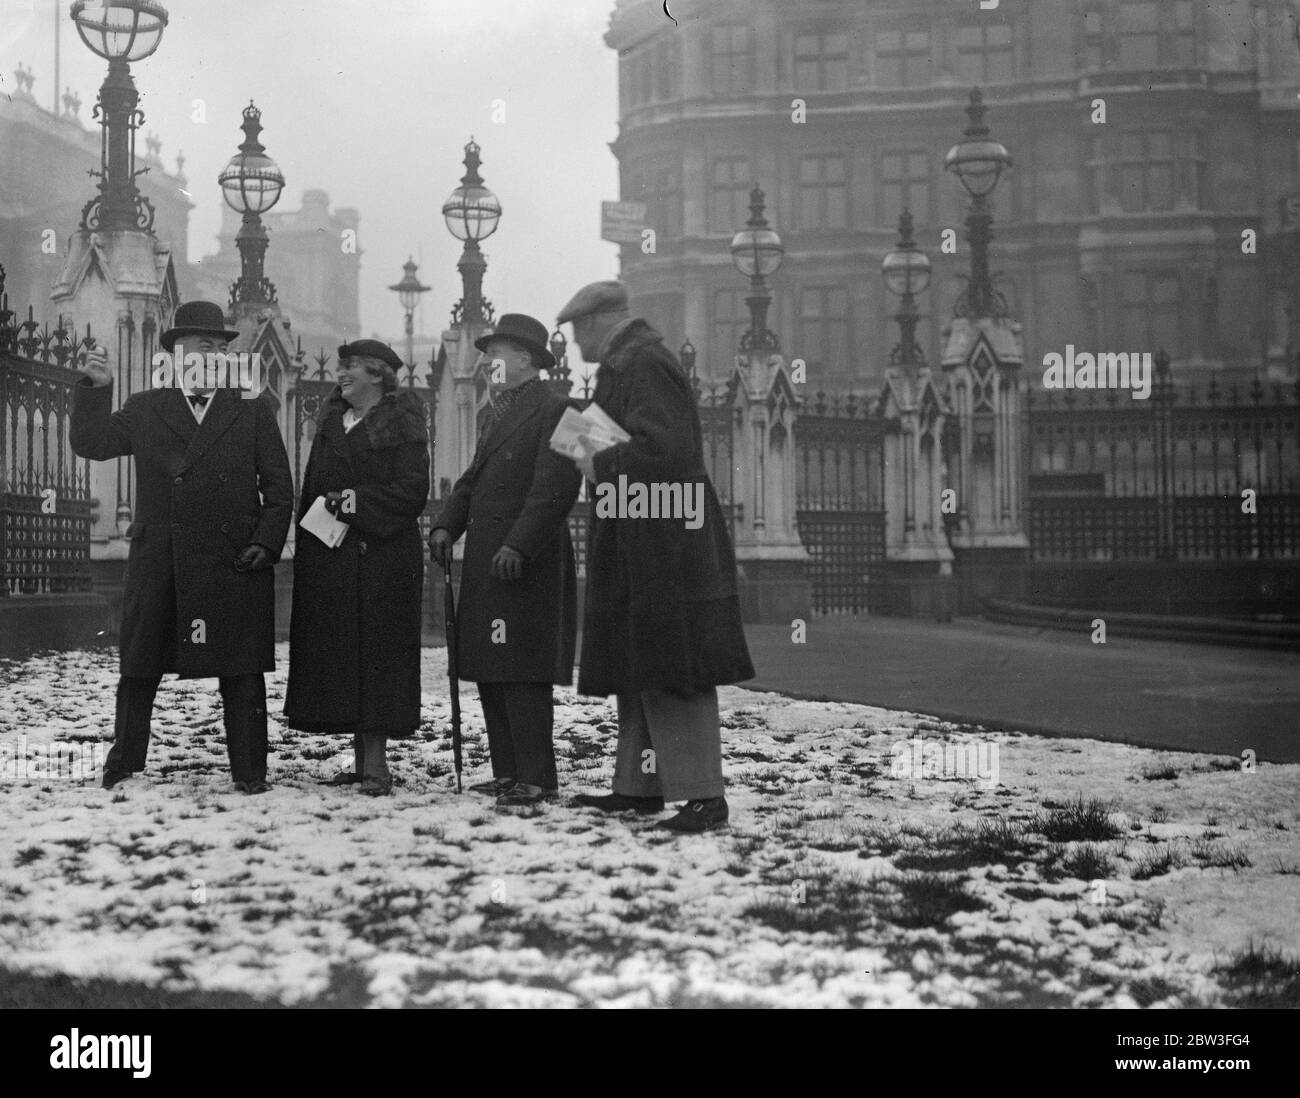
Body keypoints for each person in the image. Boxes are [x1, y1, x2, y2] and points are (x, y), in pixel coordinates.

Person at [70, 299, 293, 794]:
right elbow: (93, 442)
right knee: (140, 663)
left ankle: (251, 771)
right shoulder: (148, 407)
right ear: (175, 353)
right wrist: (96, 387)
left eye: (219, 346)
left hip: (233, 560)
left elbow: (279, 487)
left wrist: (266, 542)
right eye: (201, 345)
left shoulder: (252, 408)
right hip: (161, 558)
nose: (212, 354)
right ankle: (124, 762)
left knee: (241, 667)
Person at [557, 281, 754, 833]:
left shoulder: (643, 365)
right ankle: (637, 787)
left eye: (577, 332)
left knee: (676, 667)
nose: (574, 345)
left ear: (600, 322)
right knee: (639, 663)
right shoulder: (628, 367)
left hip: (666, 541)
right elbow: (607, 442)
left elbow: (667, 451)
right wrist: (581, 440)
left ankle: (704, 797)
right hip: (642, 535)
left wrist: (595, 459)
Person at [429, 314, 582, 807]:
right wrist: (446, 525)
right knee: (492, 666)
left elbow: (556, 488)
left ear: (525, 359)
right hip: (488, 560)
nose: (487, 362)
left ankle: (537, 777)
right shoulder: (497, 412)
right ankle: (508, 771)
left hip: (527, 562)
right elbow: (472, 480)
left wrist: (519, 544)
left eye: (495, 352)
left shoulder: (561, 409)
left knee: (523, 669)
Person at [284, 340, 430, 796]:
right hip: (332, 557)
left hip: (383, 561)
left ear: (378, 375)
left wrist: (351, 503)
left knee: (378, 659)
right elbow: (311, 488)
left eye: (352, 368)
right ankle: (360, 759)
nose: (341, 374)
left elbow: (411, 492)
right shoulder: (332, 423)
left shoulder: (403, 426)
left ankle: (377, 766)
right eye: (341, 365)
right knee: (346, 658)